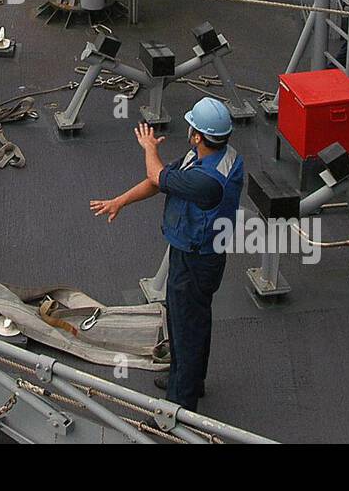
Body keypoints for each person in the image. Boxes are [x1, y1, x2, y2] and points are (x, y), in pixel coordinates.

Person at [89, 97, 243, 412]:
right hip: (197, 255)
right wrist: (120, 201)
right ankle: (188, 379)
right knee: (190, 321)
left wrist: (149, 147)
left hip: (195, 260)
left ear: (198, 135)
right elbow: (161, 181)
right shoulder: (214, 157)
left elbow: (159, 176)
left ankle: (179, 407)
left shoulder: (207, 180)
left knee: (187, 327)